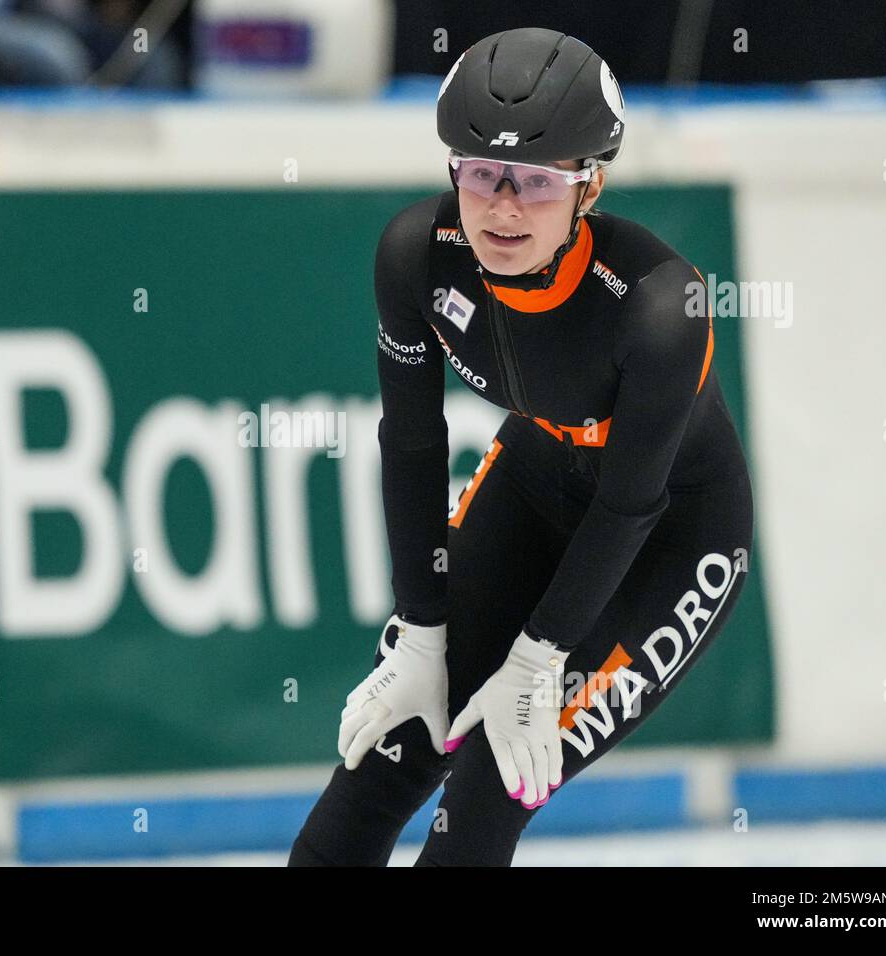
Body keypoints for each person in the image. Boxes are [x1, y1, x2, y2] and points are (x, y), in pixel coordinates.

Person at [288, 27, 754, 866]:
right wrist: (422, 632)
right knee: (373, 772)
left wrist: (537, 661)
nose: (503, 207)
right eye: (480, 174)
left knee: (482, 798)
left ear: (590, 187)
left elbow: (630, 503)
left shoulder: (658, 308)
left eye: (536, 183)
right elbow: (415, 443)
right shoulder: (417, 257)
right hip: (535, 487)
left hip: (669, 540)